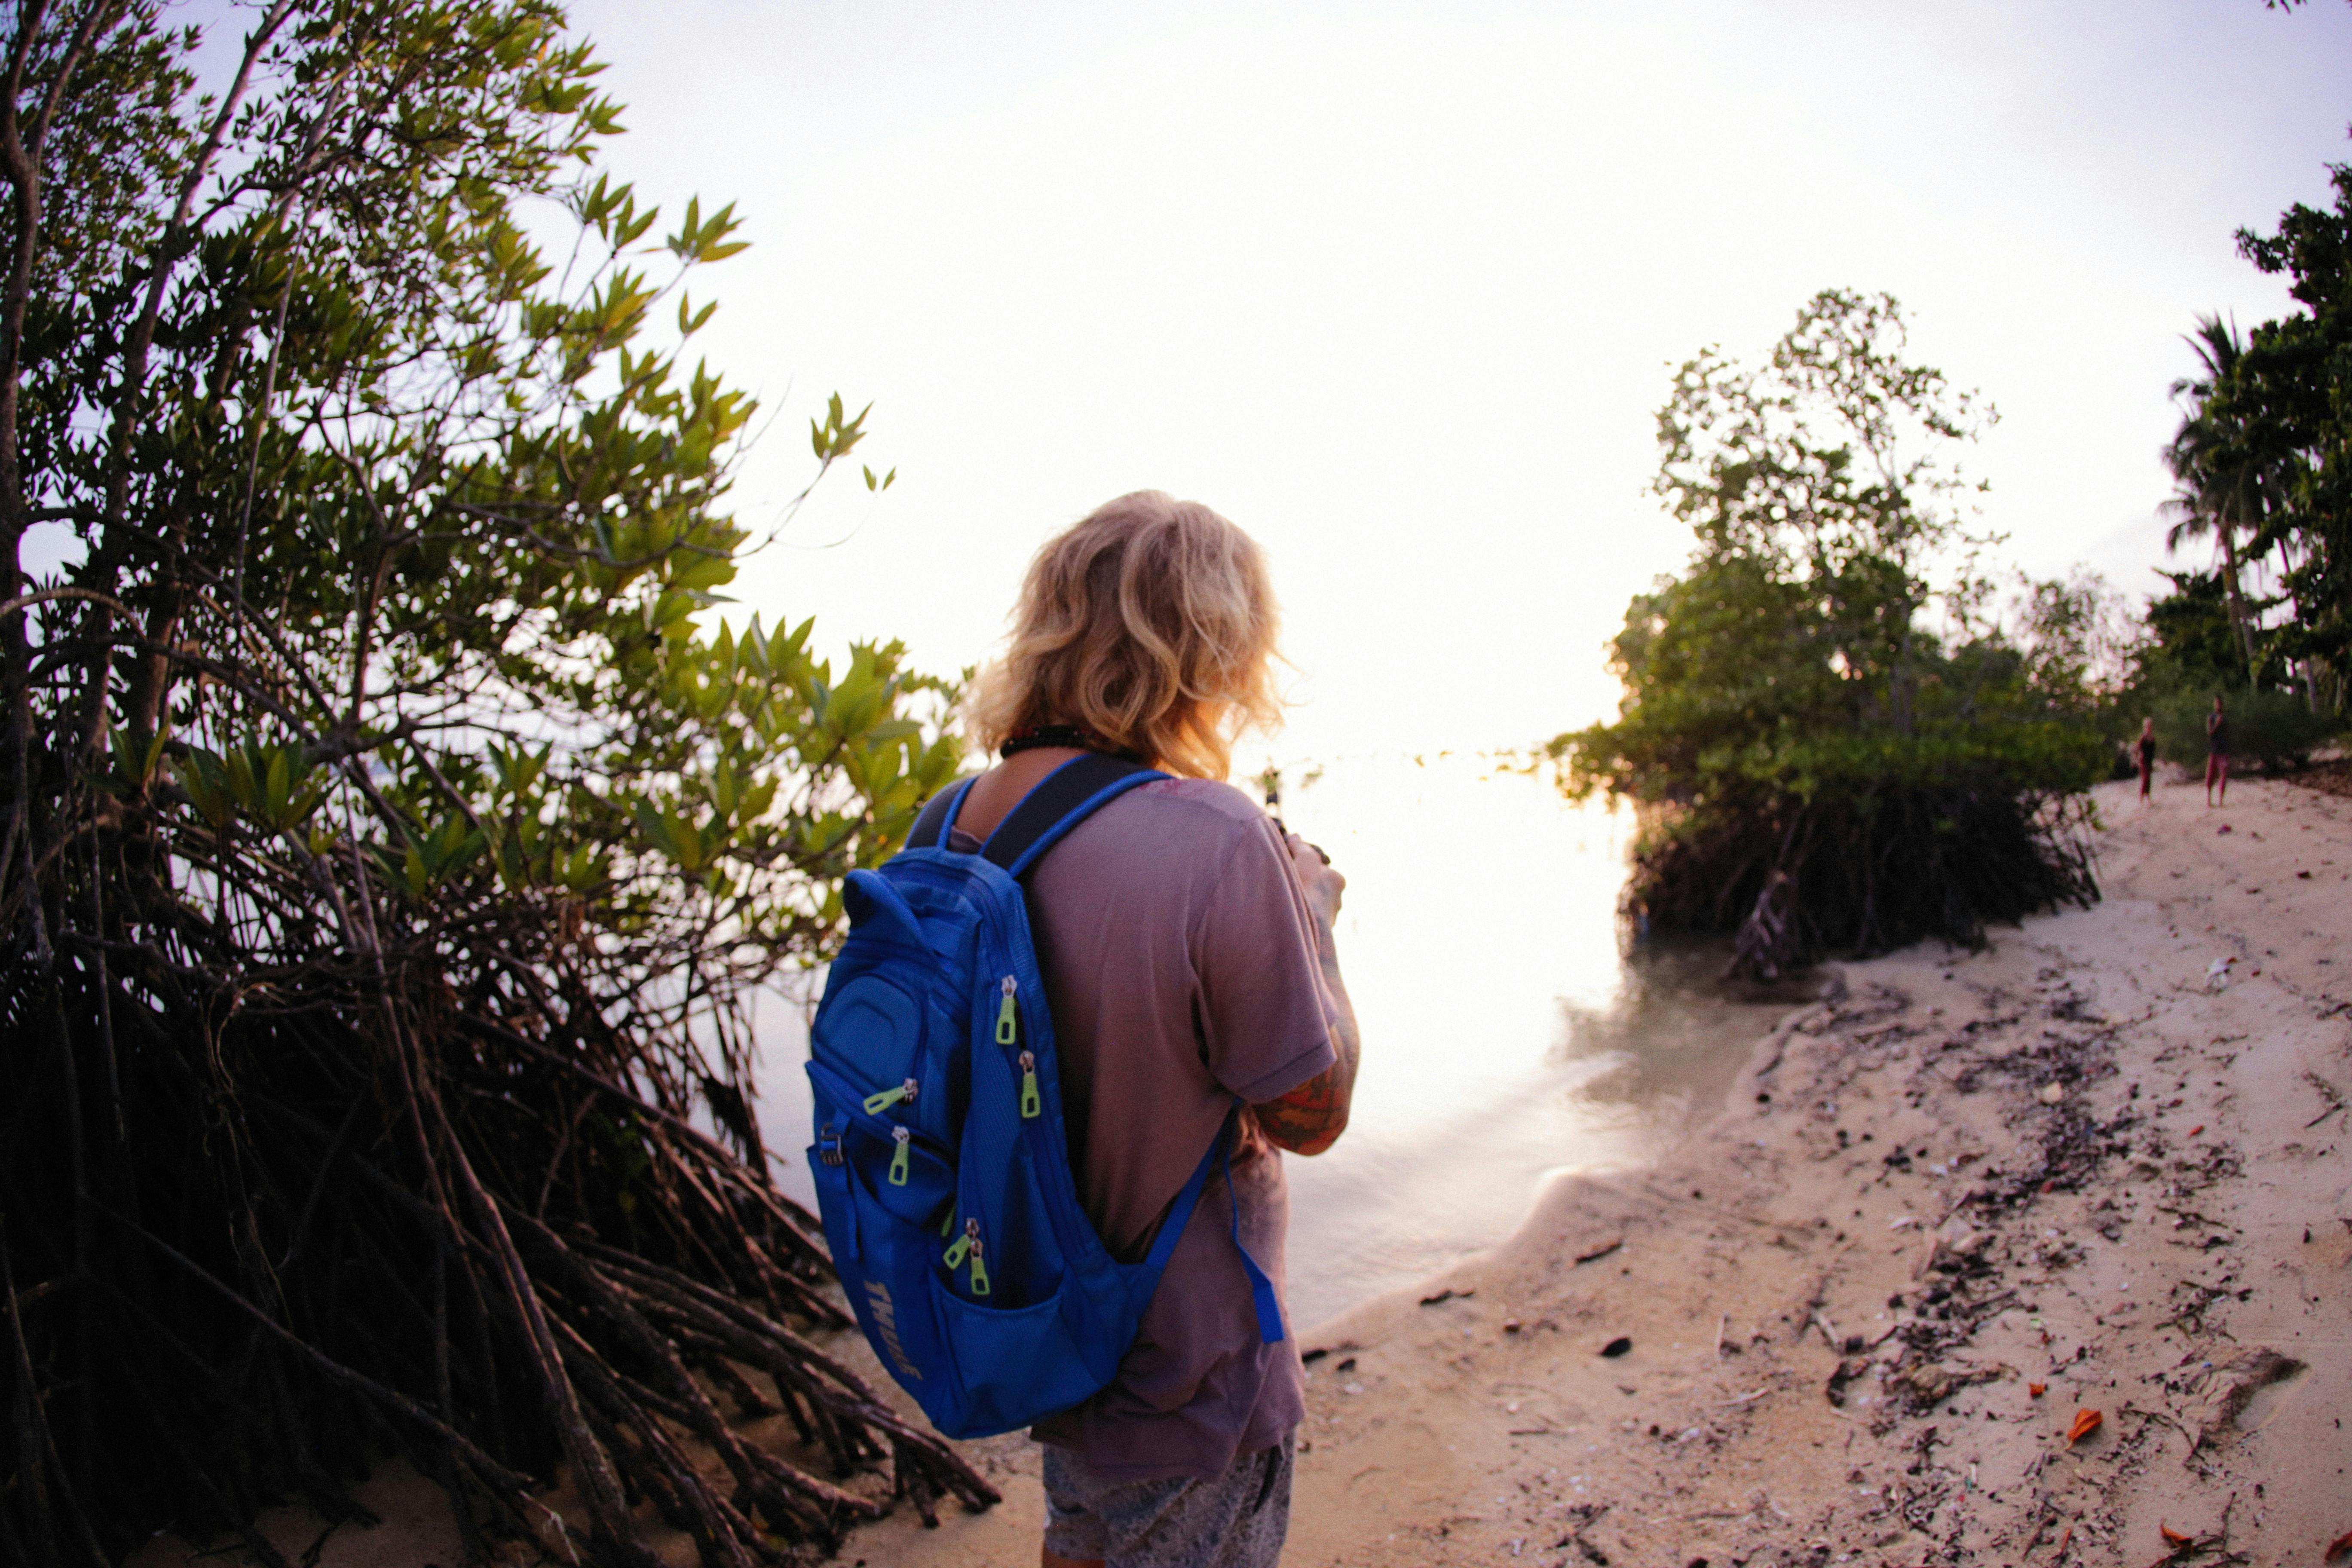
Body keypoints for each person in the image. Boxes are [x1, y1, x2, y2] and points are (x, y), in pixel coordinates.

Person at [953, 491, 1361, 1568]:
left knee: (1078, 1540)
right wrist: (1312, 925)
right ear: (1213, 644)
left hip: (1043, 1326)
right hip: (1185, 1357)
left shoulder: (958, 820)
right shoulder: (1214, 834)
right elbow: (1310, 1115)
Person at [2205, 695, 2231, 807]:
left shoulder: (2225, 719)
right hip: (2214, 750)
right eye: (2217, 703)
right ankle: (2209, 799)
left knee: (2224, 774)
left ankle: (2221, 800)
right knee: (2211, 775)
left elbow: (2227, 734)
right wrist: (2217, 724)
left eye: (2220, 703)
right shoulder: (2211, 717)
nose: (2218, 706)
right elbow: (2209, 733)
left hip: (2223, 751)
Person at [2135, 717, 2158, 804]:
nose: (2149, 727)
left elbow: (2154, 749)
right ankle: (2142, 797)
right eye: (2147, 726)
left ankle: (2148, 797)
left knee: (2149, 780)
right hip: (2143, 760)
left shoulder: (2152, 737)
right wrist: (2137, 759)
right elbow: (2138, 748)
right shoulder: (2143, 737)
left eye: (2150, 726)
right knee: (2145, 778)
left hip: (2150, 760)